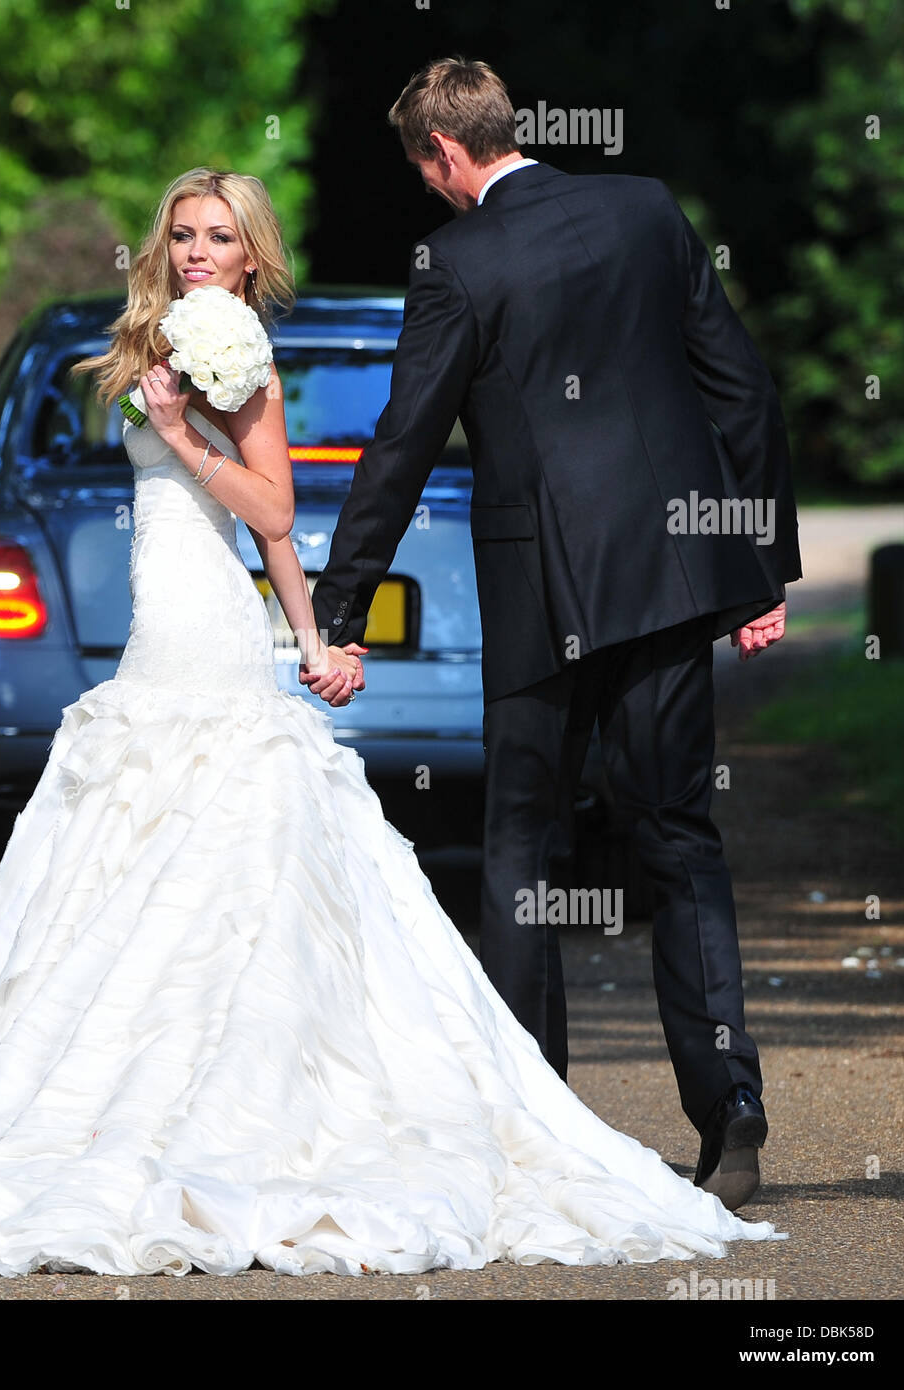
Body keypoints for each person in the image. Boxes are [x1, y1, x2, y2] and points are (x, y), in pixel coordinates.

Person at [0, 166, 784, 1280]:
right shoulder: (140, 347)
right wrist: (321, 630)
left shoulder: (238, 348)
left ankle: (389, 1110)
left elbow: (276, 512)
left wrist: (214, 479)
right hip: (158, 633)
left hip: (211, 633)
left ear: (249, 252)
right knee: (124, 875)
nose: (195, 251)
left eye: (219, 235)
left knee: (283, 861)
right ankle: (128, 1109)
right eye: (182, 232)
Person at [304, 57, 801, 1213]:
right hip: (676, 582)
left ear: (442, 155)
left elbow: (404, 444)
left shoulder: (458, 265)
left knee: (525, 850)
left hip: (546, 602)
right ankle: (731, 1107)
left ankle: (536, 1120)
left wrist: (340, 606)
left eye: (421, 170)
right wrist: (762, 562)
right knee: (680, 835)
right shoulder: (647, 209)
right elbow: (744, 390)